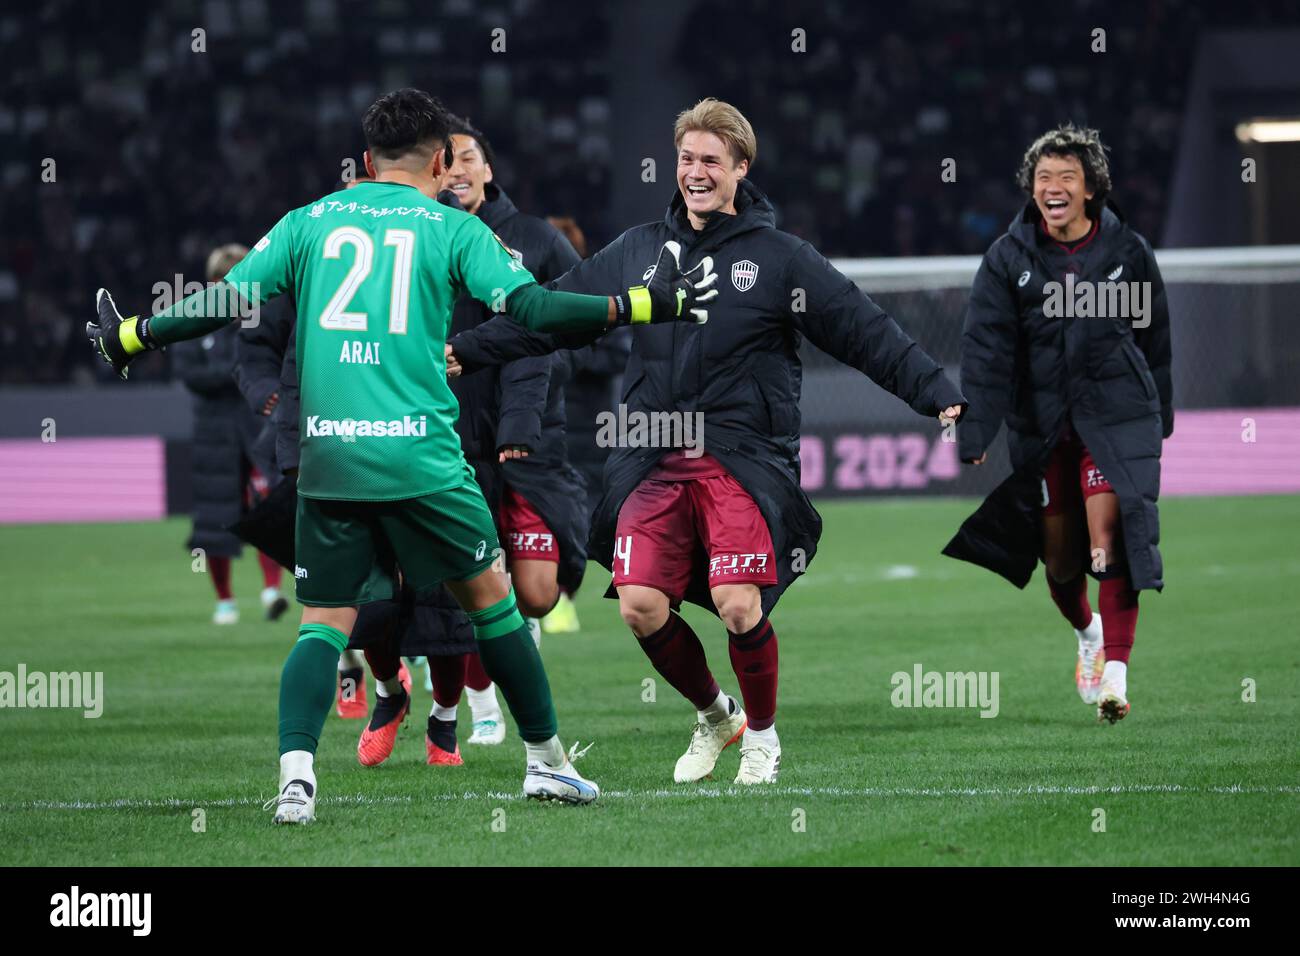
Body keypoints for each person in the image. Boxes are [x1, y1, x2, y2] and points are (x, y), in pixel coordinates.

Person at [88, 87, 718, 822]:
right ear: (445, 160)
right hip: (422, 460)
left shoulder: (308, 222)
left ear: (364, 162)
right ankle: (546, 764)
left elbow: (225, 302)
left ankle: (296, 779)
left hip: (329, 459)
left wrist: (133, 335)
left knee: (324, 623)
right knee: (494, 607)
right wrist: (647, 303)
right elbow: (537, 313)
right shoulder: (454, 229)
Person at [448, 98, 965, 784]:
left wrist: (938, 391)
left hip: (741, 456)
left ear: (740, 168)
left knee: (737, 603)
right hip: (651, 453)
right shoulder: (637, 249)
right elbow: (555, 315)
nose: (695, 173)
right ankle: (717, 716)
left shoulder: (782, 259)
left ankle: (764, 739)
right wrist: (467, 350)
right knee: (638, 606)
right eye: (687, 159)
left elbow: (864, 330)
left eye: (710, 162)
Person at [943, 124, 1173, 724]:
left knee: (1112, 539)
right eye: (1044, 178)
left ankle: (1116, 677)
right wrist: (976, 432)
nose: (1053, 187)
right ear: (1031, 186)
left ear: (1092, 187)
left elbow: (1155, 339)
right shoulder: (1007, 260)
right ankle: (1088, 633)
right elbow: (986, 351)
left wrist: (1158, 417)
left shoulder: (1128, 252)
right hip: (1042, 430)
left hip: (1115, 419)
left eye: (1066, 177)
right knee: (1063, 564)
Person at [171, 243, 287, 625]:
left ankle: (272, 591)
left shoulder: (264, 322)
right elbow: (191, 375)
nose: (230, 288)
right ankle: (225, 600)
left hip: (258, 430)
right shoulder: (196, 324)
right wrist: (239, 373)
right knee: (215, 522)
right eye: (222, 281)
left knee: (267, 509)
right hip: (214, 437)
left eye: (236, 279)